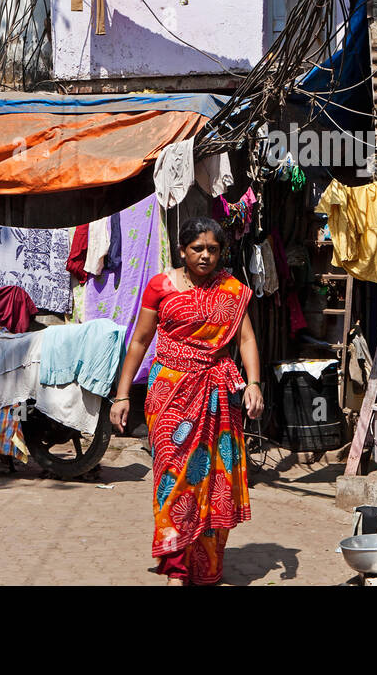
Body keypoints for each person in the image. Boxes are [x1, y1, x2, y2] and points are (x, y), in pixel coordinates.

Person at [109, 217, 264, 586]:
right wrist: (121, 393)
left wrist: (254, 384)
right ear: (182, 250)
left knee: (212, 480)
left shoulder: (232, 289)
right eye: (198, 248)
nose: (206, 256)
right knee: (173, 479)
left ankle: (201, 565)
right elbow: (140, 341)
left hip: (216, 395)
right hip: (169, 394)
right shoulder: (159, 286)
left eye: (213, 249)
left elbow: (244, 340)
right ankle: (176, 568)